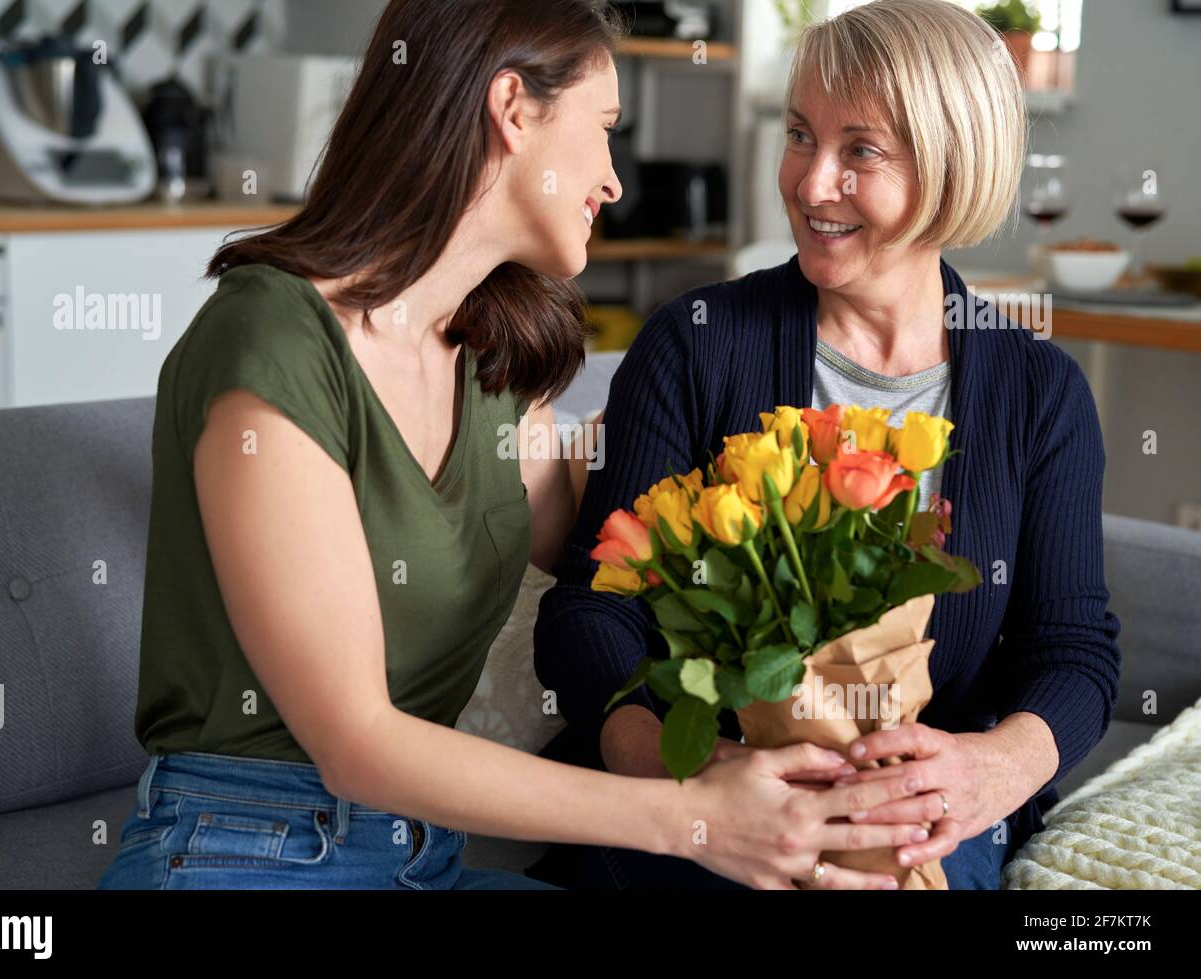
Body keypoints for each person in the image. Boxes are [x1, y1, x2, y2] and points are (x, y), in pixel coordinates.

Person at [98, 0, 930, 892]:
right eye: (604, 130)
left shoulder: (492, 358)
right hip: (243, 849)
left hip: (422, 861)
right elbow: (355, 742)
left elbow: (618, 550)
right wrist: (693, 819)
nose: (613, 181)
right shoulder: (270, 338)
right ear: (513, 108)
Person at [531, 0, 1121, 891]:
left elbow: (1073, 648)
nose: (811, 184)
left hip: (915, 820)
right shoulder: (696, 340)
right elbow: (592, 608)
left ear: (953, 168)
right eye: (801, 136)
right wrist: (685, 776)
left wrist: (988, 772)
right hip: (697, 798)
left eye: (861, 151)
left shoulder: (1041, 394)